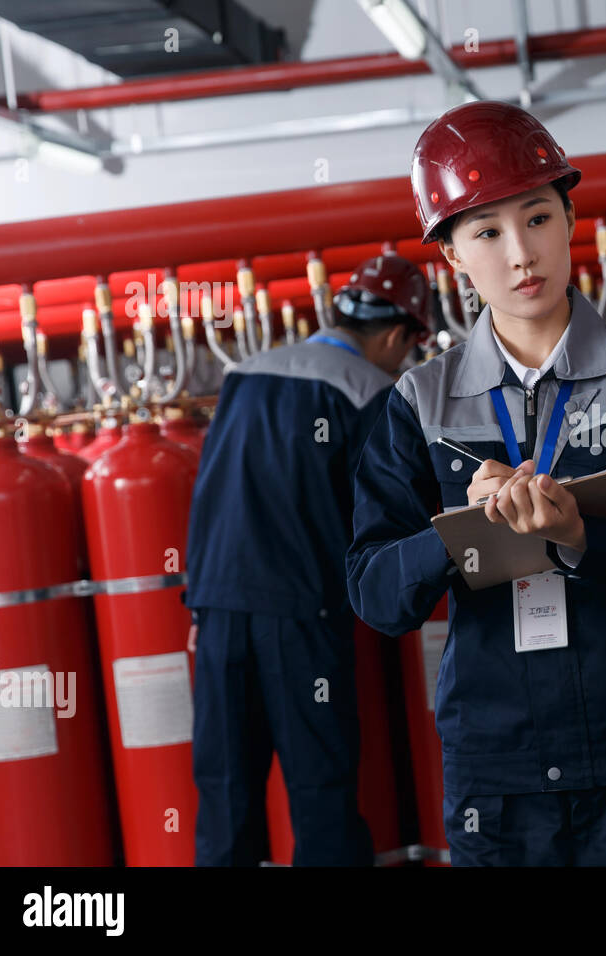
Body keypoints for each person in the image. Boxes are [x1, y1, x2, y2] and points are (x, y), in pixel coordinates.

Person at [346, 101, 606, 866]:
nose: (522, 254)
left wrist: (580, 537)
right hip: (500, 773)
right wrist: (463, 533)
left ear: (571, 215)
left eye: (538, 217)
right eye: (486, 232)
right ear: (452, 255)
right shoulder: (419, 405)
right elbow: (376, 593)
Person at [184, 253, 430, 866]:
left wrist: (198, 601)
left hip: (216, 609)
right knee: (321, 790)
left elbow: (209, 489)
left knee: (222, 791)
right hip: (301, 614)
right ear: (399, 335)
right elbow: (386, 517)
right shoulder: (370, 393)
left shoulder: (244, 374)